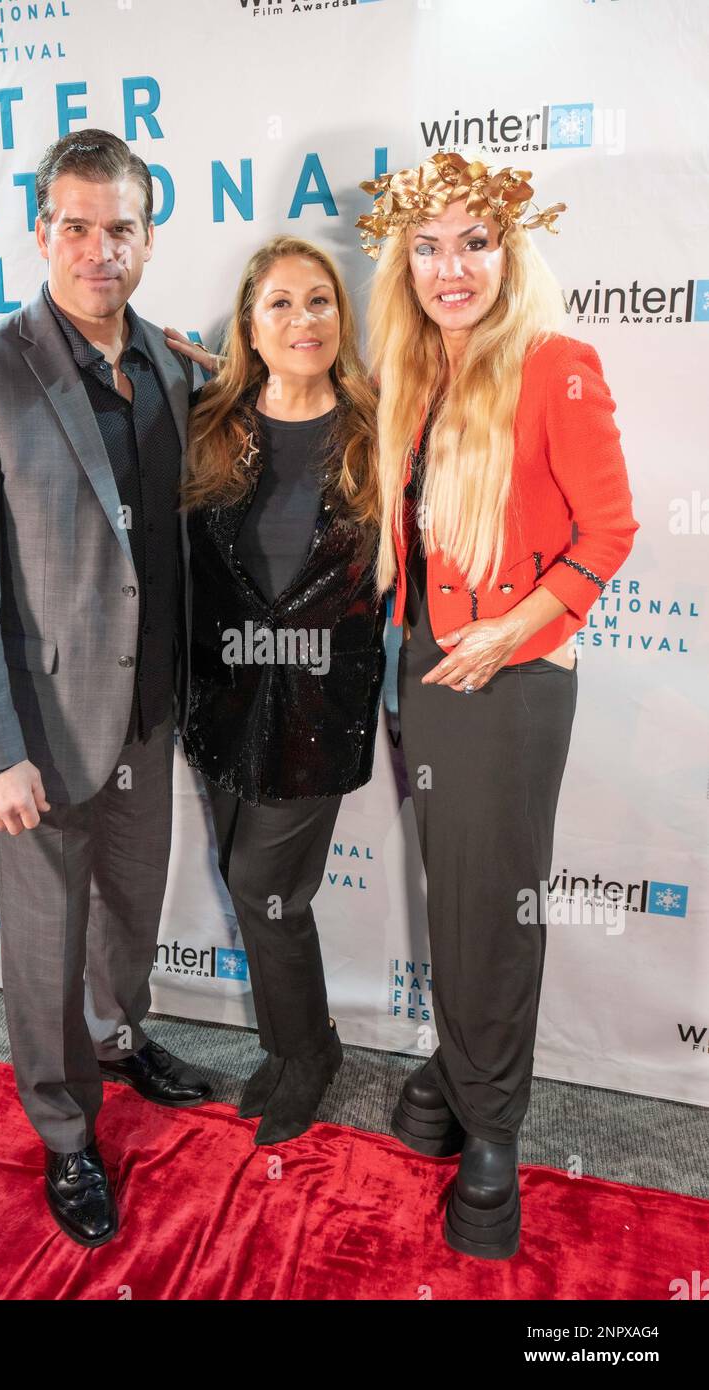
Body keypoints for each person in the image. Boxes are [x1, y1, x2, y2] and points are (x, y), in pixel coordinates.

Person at [0, 128, 211, 1249]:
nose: (97, 248)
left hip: (149, 713)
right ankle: (64, 1128)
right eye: (74, 226)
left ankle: (120, 1037)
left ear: (146, 236)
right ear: (42, 232)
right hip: (35, 727)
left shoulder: (173, 366)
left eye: (118, 228)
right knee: (48, 935)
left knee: (131, 909)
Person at [357, 153, 639, 1258]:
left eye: (473, 242)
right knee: (457, 897)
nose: (450, 267)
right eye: (426, 247)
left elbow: (605, 536)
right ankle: (454, 1065)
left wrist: (506, 633)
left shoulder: (554, 363)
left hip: (507, 676)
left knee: (488, 909)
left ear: (511, 251)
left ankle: (492, 1137)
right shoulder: (414, 372)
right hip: (424, 668)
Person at [166, 235, 385, 1144]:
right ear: (251, 325)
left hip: (318, 708)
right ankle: (295, 1043)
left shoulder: (385, 429)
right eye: (281, 303)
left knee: (268, 888)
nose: (304, 319)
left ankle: (310, 1051)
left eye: (321, 301)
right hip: (220, 697)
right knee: (243, 877)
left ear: (344, 318)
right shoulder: (211, 421)